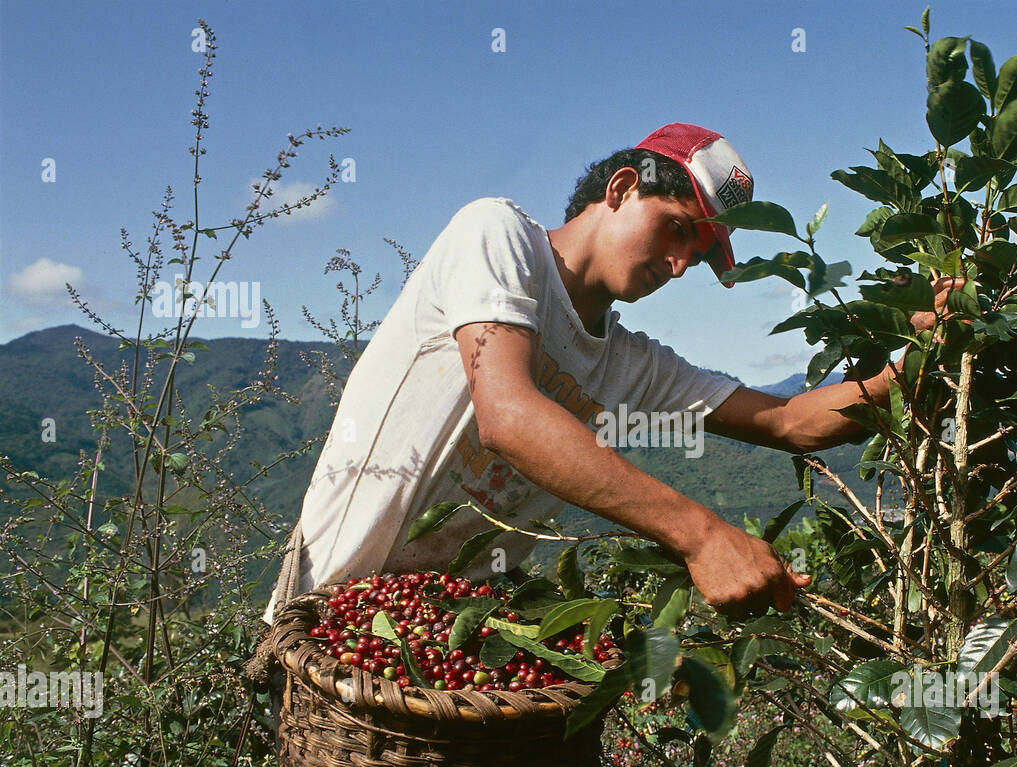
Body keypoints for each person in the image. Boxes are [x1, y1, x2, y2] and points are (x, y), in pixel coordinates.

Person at [264, 122, 946, 624]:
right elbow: (509, 415)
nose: (679, 265)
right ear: (622, 188)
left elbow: (792, 421)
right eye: (678, 229)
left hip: (439, 641)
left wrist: (918, 354)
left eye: (698, 253)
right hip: (324, 613)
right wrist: (703, 535)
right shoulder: (498, 238)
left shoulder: (628, 364)